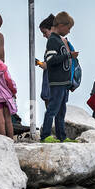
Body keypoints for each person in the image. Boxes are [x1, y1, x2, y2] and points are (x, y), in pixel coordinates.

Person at [41, 11, 76, 142]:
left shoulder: (60, 41)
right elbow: (51, 60)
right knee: (52, 109)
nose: (69, 32)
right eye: (68, 28)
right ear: (61, 25)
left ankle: (62, 136)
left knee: (61, 111)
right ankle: (45, 135)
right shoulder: (53, 41)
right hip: (57, 82)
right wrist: (68, 55)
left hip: (63, 82)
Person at [35, 14, 55, 105]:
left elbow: (47, 65)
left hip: (52, 85)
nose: (43, 35)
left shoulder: (53, 44)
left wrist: (38, 62)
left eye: (45, 32)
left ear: (52, 29)